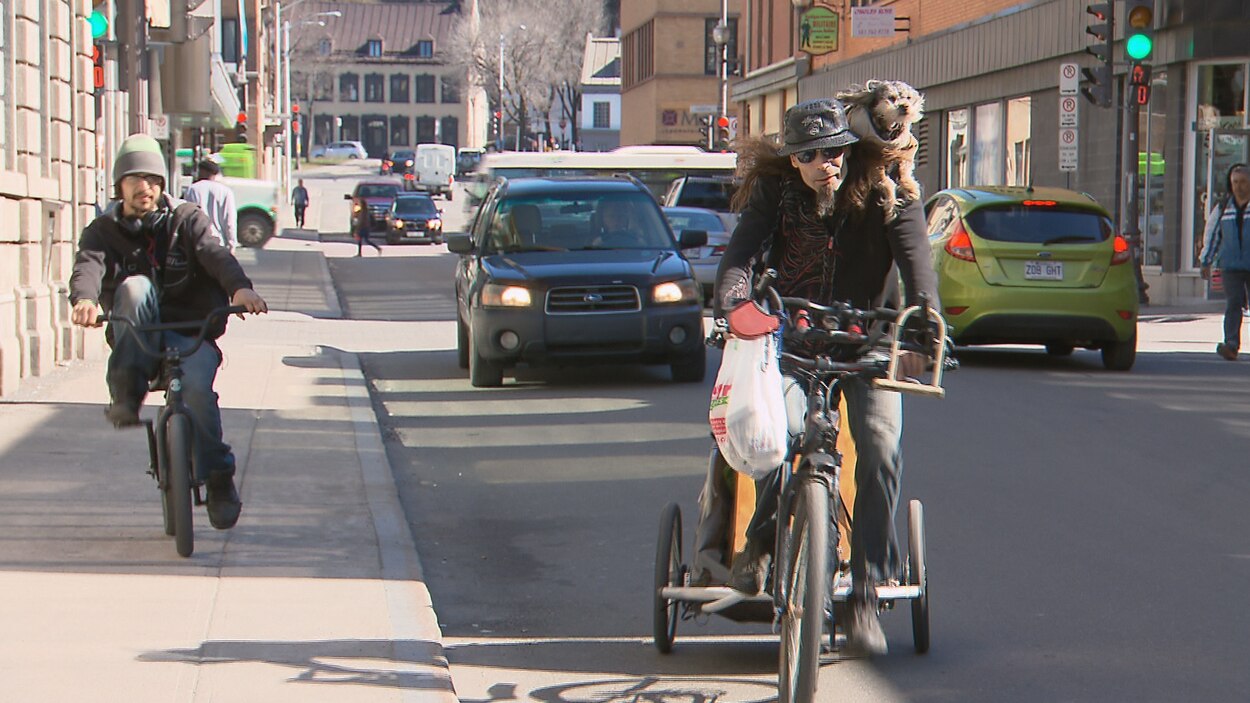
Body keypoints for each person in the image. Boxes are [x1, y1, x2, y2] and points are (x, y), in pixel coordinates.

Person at [694, 97, 939, 656]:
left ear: (849, 151)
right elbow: (741, 253)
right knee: (768, 434)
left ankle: (868, 588)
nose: (824, 163)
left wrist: (925, 314)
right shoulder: (774, 194)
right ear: (793, 160)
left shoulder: (885, 190)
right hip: (792, 343)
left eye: (834, 151)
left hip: (869, 342)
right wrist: (731, 296)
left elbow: (915, 256)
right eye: (810, 155)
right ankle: (757, 544)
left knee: (879, 445)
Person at [68, 134, 269, 530]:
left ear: (163, 183)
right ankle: (126, 392)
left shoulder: (187, 219)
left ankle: (218, 476)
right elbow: (87, 265)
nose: (145, 187)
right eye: (134, 179)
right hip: (138, 336)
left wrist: (239, 288)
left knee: (198, 392)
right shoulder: (102, 231)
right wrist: (84, 300)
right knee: (134, 286)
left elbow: (216, 254)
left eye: (152, 178)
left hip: (190, 331)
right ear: (119, 185)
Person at [1200, 163, 1250, 361]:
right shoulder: (1222, 208)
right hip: (1230, 266)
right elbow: (1213, 236)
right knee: (1233, 303)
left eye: (1244, 182)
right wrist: (1206, 261)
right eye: (1235, 182)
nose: (1239, 186)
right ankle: (1231, 344)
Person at [183, 159, 238, 252]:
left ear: (202, 171)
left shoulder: (192, 189)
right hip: (219, 245)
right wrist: (232, 244)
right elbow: (230, 221)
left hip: (197, 242)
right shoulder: (226, 192)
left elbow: (187, 216)